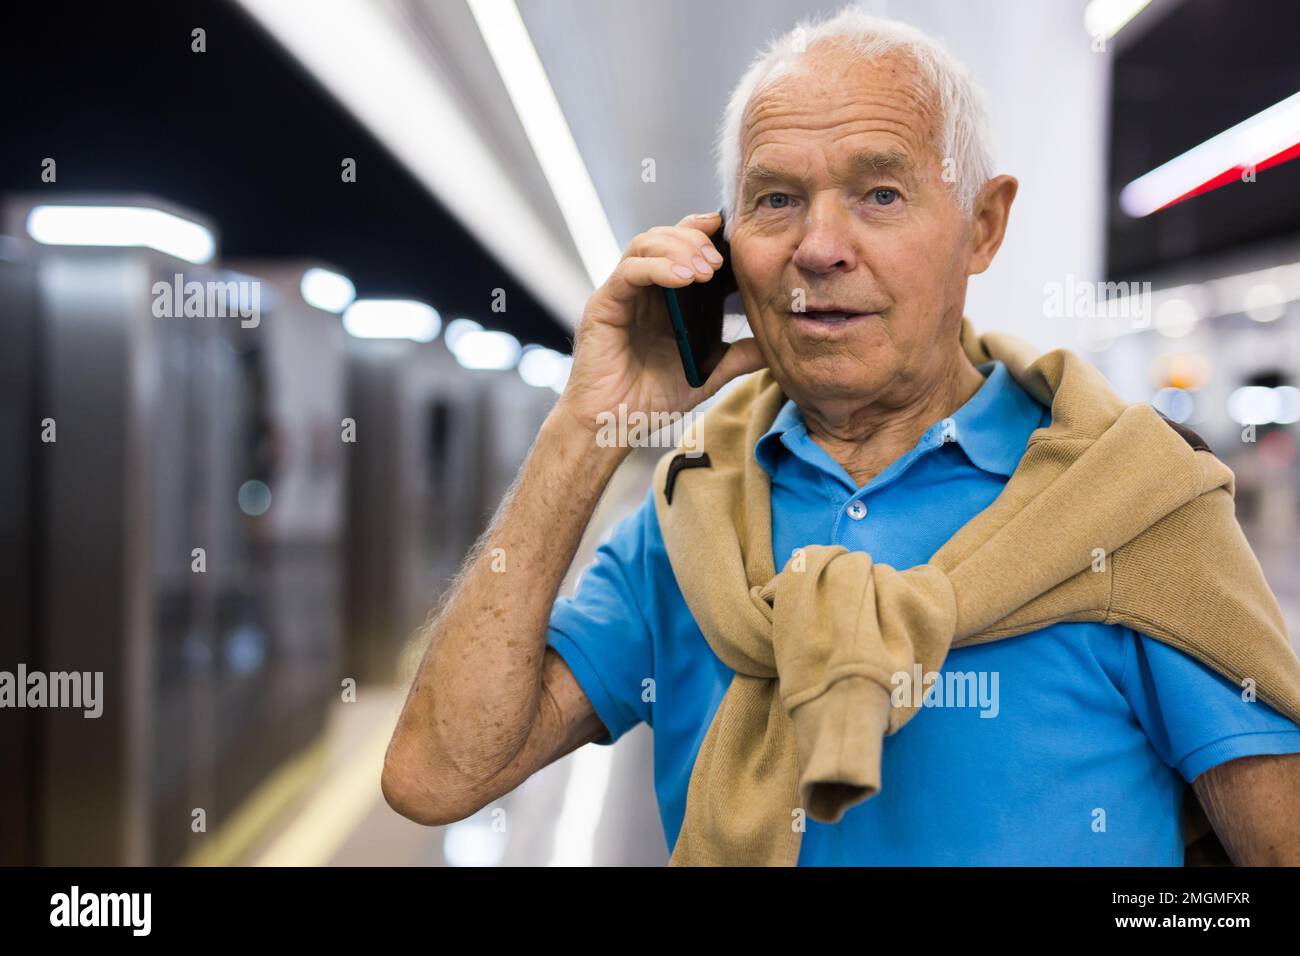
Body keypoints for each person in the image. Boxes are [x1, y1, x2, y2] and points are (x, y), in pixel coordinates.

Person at [382, 8, 1300, 864]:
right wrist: (588, 425)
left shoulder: (1136, 504)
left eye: (881, 193)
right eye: (775, 200)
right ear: (723, 248)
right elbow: (439, 774)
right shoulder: (691, 521)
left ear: (982, 225)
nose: (819, 246)